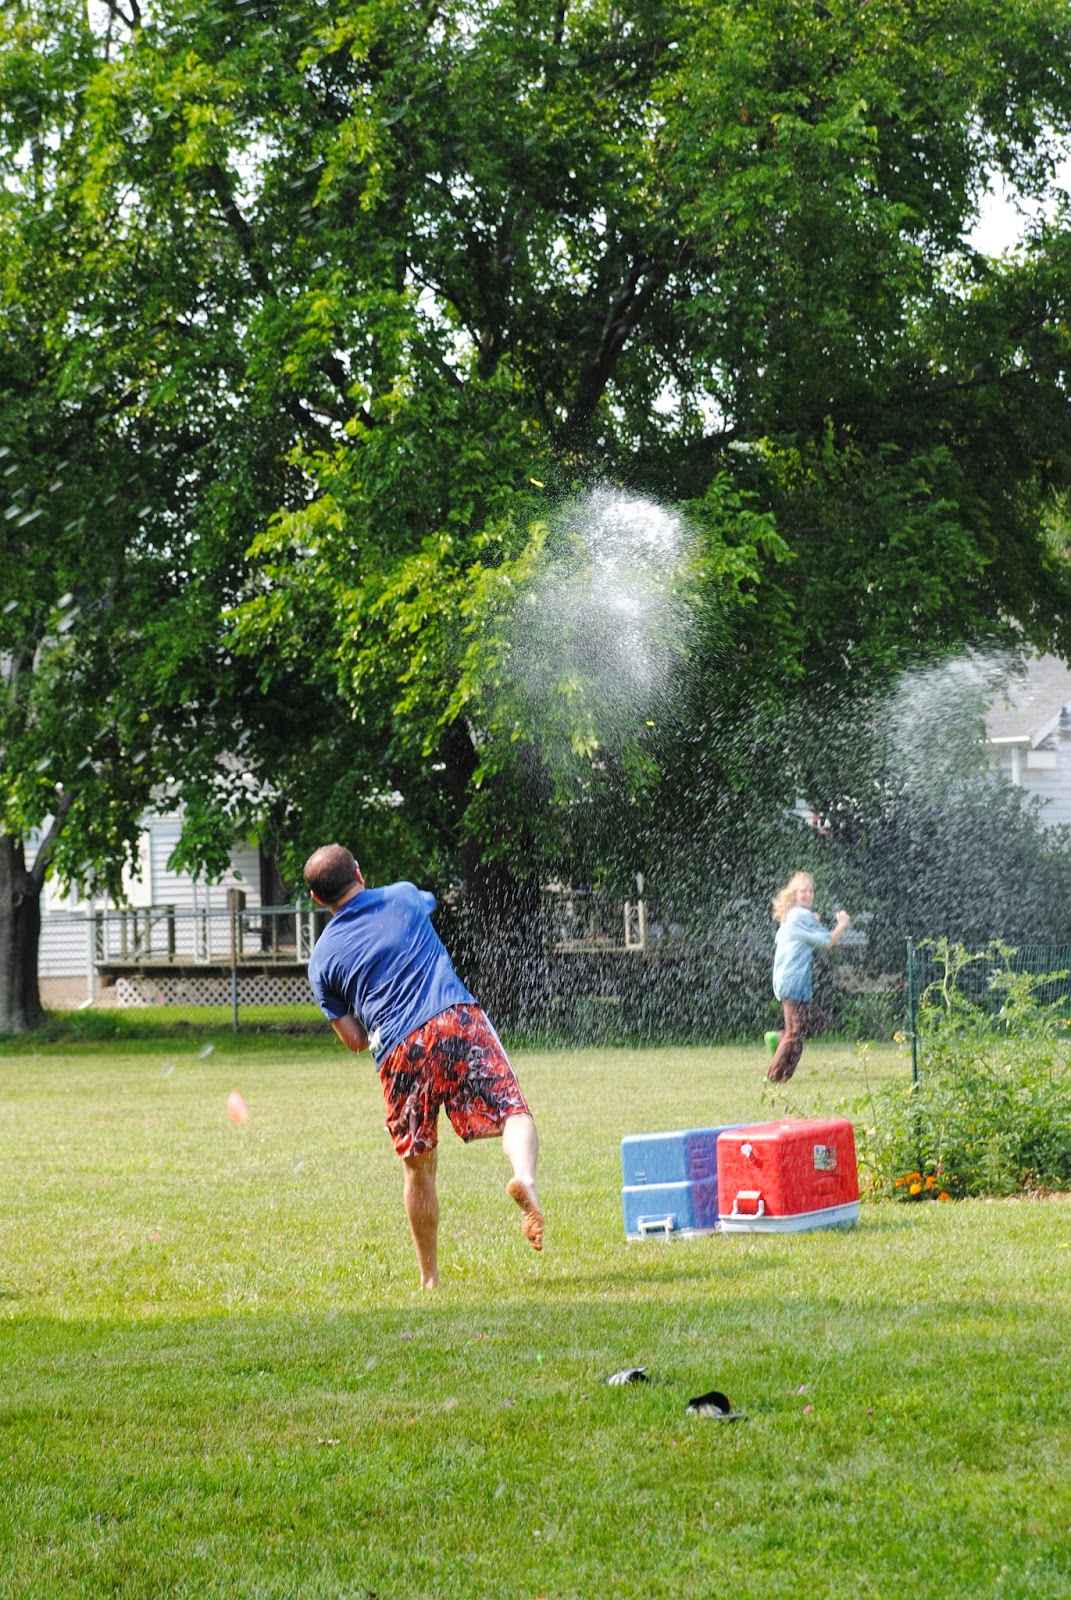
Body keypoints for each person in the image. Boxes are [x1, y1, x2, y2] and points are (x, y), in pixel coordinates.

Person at [303, 844, 543, 1287]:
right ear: (360, 871)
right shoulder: (405, 896)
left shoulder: (321, 961)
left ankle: (430, 1279)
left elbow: (355, 1040)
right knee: (513, 1111)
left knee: (418, 1166)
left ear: (318, 900)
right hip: (453, 1017)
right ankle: (523, 1178)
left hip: (398, 1049)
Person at [767, 871, 851, 1084]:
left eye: (810, 891)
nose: (807, 894)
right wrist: (841, 924)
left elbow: (795, 934)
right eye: (802, 891)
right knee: (795, 1033)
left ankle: (777, 1038)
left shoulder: (793, 915)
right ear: (794, 894)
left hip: (793, 982)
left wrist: (812, 921)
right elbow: (828, 942)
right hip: (793, 981)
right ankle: (774, 1077)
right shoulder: (800, 916)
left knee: (817, 1022)